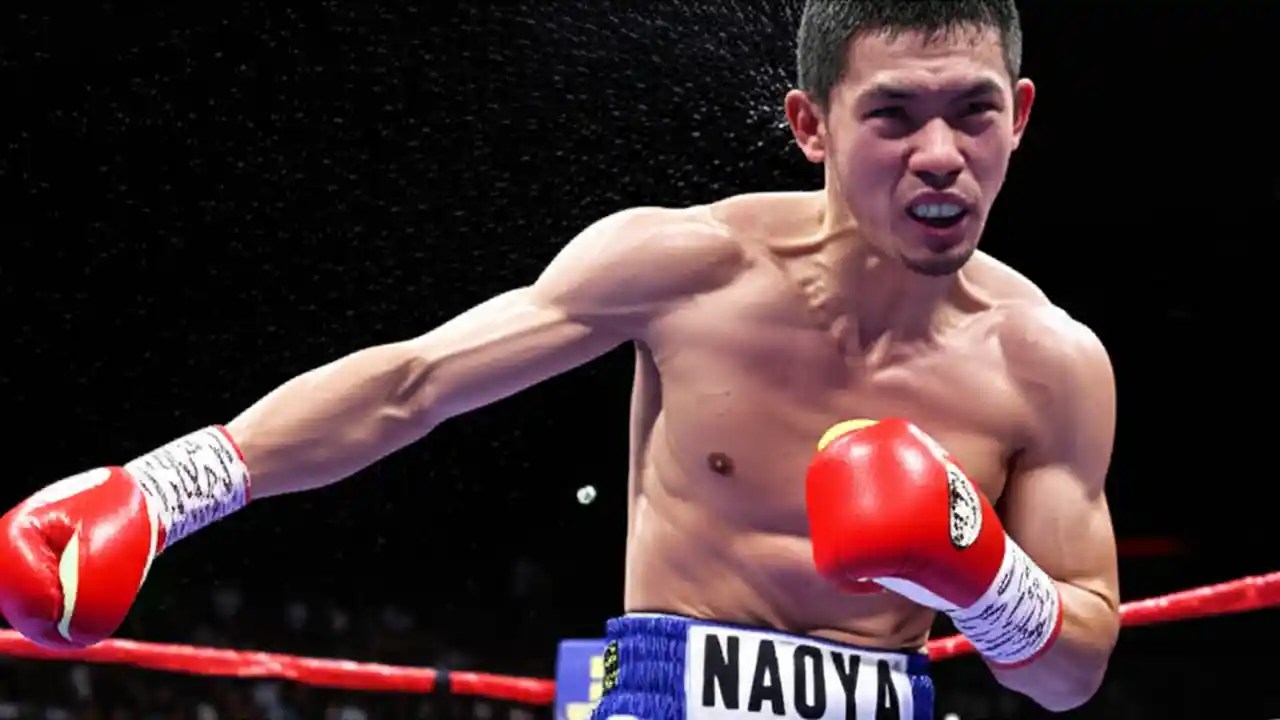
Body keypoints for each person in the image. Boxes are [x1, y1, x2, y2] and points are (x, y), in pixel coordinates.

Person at [0, 1, 1121, 717]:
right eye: (892, 117)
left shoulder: (1047, 364)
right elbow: (411, 385)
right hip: (659, 699)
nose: (940, 157)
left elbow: (1071, 671)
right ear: (809, 124)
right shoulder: (689, 266)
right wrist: (163, 490)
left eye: (972, 113)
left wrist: (982, 577)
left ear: (1018, 115)